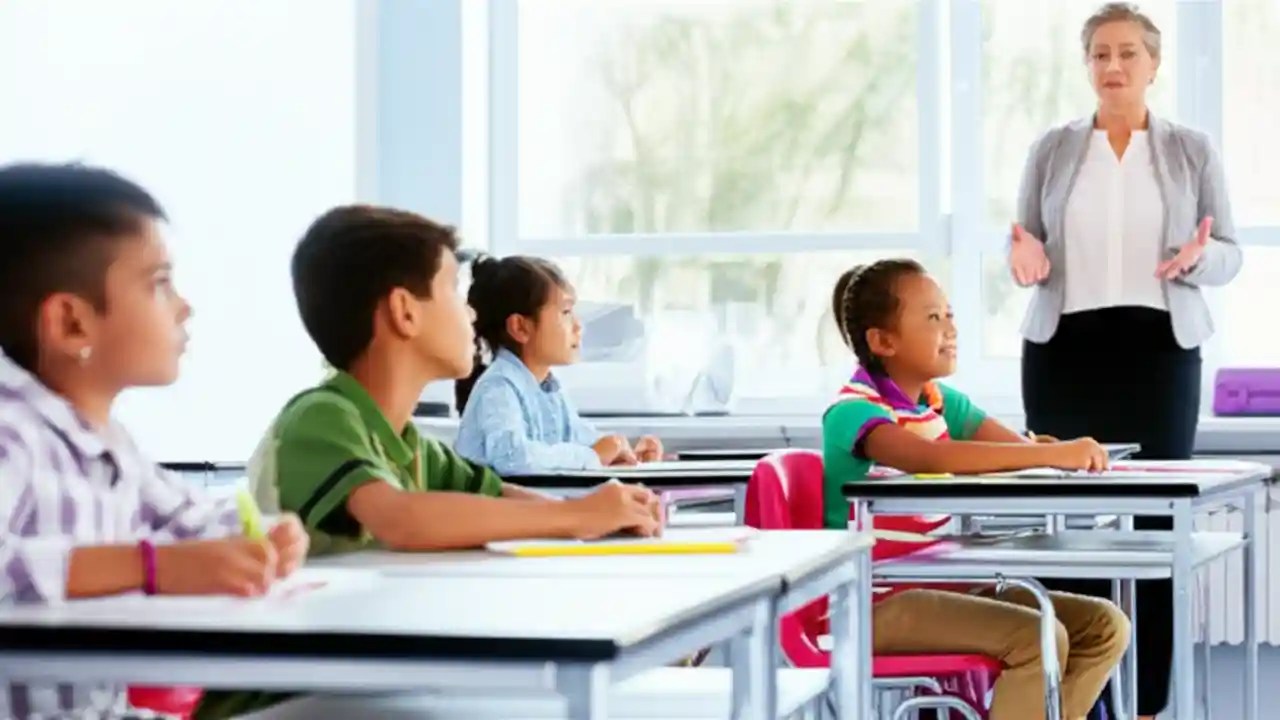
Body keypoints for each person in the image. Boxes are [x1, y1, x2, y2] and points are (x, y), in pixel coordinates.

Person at [194, 207, 662, 719]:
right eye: (456, 295)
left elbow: (494, 493)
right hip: (282, 701)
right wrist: (575, 516)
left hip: (368, 688)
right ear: (404, 311)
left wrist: (603, 515)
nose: (470, 315)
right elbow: (401, 518)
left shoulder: (409, 442)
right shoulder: (321, 417)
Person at [0, 162, 308, 720]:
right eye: (159, 284)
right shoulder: (10, 432)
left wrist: (261, 536)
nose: (183, 306)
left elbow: (190, 522)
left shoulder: (109, 445)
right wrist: (150, 566)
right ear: (71, 323)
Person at [1007, 4, 1242, 717]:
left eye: (1128, 54)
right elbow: (1023, 239)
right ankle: (1079, 699)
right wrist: (1022, 256)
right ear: (1086, 65)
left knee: (1152, 525)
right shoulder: (1052, 149)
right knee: (1067, 522)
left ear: (1153, 64)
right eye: (1100, 54)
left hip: (1157, 352)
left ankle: (1147, 703)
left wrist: (1201, 258)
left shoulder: (1190, 150)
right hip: (1064, 350)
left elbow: (1230, 252)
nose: (1113, 67)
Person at [825, 258, 1129, 720]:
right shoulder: (853, 412)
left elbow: (1011, 451)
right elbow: (933, 459)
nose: (950, 328)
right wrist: (1050, 454)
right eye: (933, 318)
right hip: (872, 603)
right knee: (1038, 636)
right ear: (882, 341)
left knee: (1104, 625)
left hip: (943, 586)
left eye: (949, 315)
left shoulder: (937, 403)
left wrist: (1044, 450)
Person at [454, 254, 663, 474]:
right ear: (520, 328)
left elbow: (579, 438)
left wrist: (625, 452)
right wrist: (593, 456)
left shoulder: (548, 388)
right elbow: (513, 458)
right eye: (565, 312)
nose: (578, 326)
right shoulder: (498, 389)